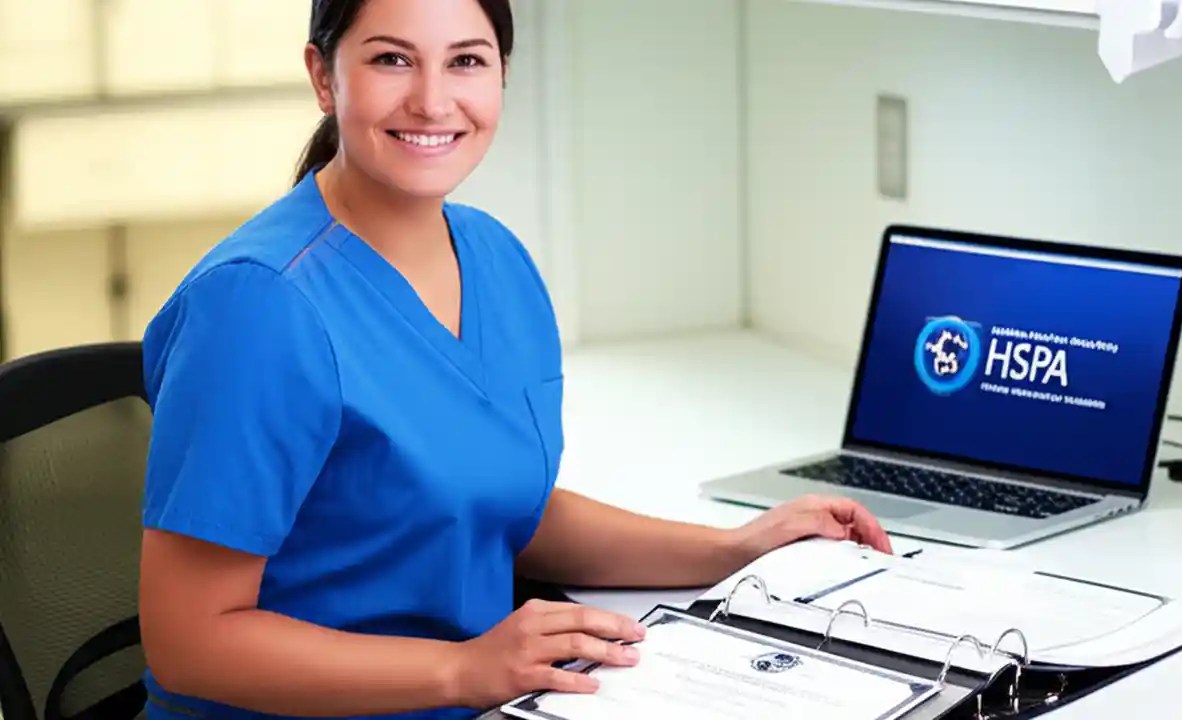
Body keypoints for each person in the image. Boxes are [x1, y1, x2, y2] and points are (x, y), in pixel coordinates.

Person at [136, 1, 892, 719]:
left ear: (502, 74)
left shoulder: (493, 257)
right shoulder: (258, 307)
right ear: (323, 76)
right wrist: (463, 669)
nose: (433, 101)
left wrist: (731, 551)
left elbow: (500, 508)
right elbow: (190, 641)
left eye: (465, 61)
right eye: (392, 59)